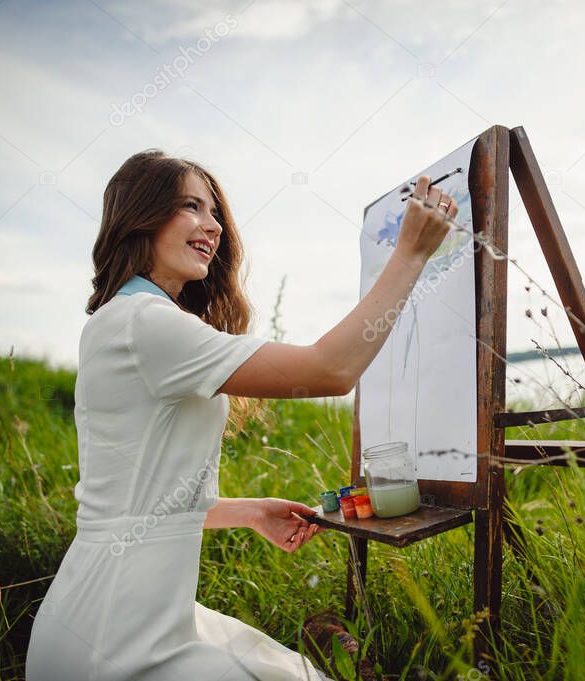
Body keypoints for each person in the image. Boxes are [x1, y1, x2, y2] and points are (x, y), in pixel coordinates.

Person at [24, 149, 458, 681]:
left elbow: (134, 507)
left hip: (117, 616)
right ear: (140, 216)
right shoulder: (145, 322)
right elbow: (329, 371)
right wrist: (410, 255)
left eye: (214, 214)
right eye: (191, 206)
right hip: (118, 641)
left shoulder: (127, 320)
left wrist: (248, 511)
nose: (213, 227)